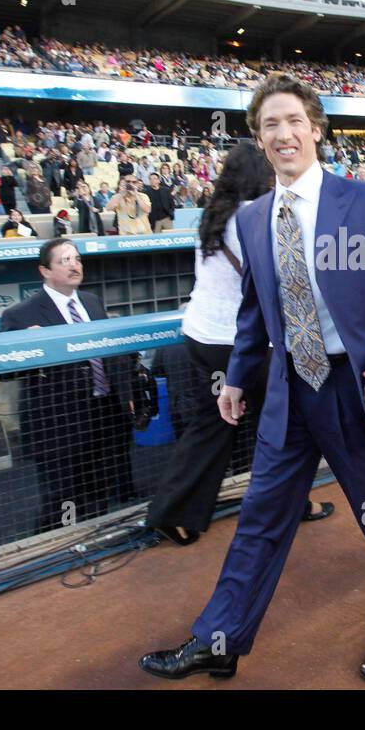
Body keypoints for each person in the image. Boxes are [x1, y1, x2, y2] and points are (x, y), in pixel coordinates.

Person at [139, 74, 365, 683]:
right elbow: (252, 310)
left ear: (316, 128)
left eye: (293, 120)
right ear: (260, 139)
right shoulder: (251, 219)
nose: (283, 133)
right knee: (261, 517)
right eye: (270, 124)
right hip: (289, 390)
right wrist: (238, 379)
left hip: (355, 388)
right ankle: (220, 638)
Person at [144, 142, 332, 546]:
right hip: (240, 343)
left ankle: (172, 513)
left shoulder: (215, 212)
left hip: (202, 336)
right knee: (285, 425)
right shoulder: (259, 216)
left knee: (214, 424)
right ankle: (292, 506)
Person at [0, 238, 139, 534]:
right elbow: (5, 372)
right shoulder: (20, 315)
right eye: (65, 260)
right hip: (58, 426)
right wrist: (30, 349)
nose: (75, 265)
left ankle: (96, 539)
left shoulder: (91, 302)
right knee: (60, 497)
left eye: (77, 259)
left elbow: (111, 354)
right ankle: (55, 552)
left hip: (103, 416)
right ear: (44, 271)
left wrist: (125, 395)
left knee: (99, 490)